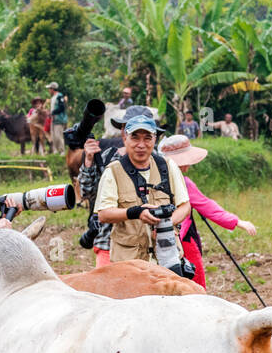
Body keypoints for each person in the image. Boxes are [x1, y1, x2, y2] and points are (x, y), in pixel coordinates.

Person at [158, 134, 257, 287]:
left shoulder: (155, 178)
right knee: (195, 283)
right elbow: (208, 207)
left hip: (158, 238)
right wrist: (238, 222)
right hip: (181, 240)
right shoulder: (184, 183)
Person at [94, 113, 191, 266]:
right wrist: (136, 213)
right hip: (129, 262)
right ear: (125, 139)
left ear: (154, 140)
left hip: (167, 257)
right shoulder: (112, 171)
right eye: (135, 137)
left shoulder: (167, 166)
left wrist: (165, 226)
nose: (141, 144)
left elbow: (185, 206)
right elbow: (104, 214)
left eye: (147, 138)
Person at [78, 105, 156, 266]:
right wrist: (89, 161)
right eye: (132, 132)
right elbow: (87, 192)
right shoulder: (107, 157)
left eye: (145, 134)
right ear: (123, 132)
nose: (139, 141)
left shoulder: (160, 162)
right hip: (109, 240)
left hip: (151, 243)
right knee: (108, 290)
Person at [47, 82, 68, 154]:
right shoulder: (53, 97)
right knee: (54, 136)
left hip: (59, 119)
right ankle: (55, 151)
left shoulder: (59, 96)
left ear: (52, 89)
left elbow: (62, 107)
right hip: (53, 119)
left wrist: (52, 112)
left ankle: (62, 151)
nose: (49, 90)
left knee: (59, 136)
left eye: (49, 89)